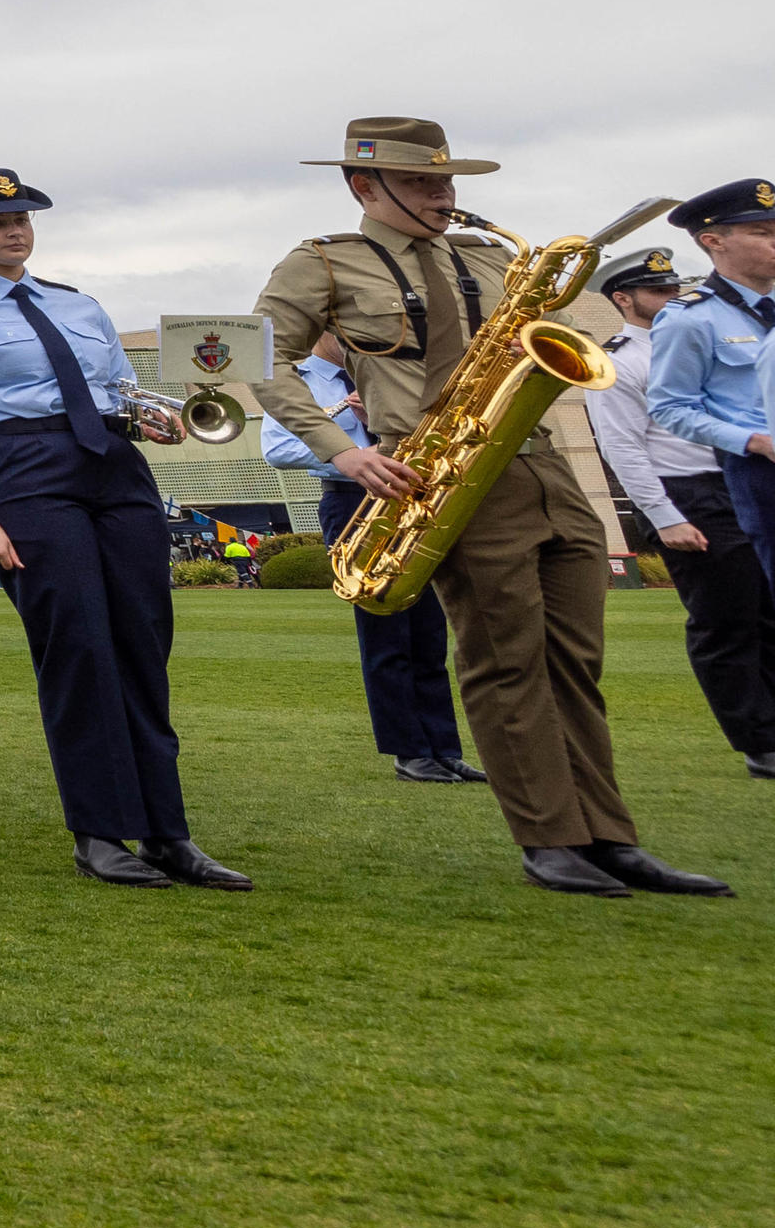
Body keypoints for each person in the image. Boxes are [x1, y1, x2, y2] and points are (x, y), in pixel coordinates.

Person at [268, 118, 721, 899]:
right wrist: (338, 448)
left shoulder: (489, 255)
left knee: (574, 661)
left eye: (447, 183)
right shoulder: (323, 263)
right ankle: (550, 839)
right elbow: (254, 354)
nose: (443, 197)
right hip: (438, 474)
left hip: (541, 465)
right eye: (421, 184)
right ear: (363, 186)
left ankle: (609, 836)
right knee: (506, 658)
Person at [0, 167, 253, 890]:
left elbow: (119, 388)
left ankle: (167, 832)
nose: (15, 229)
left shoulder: (80, 303)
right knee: (79, 648)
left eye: (24, 216)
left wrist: (155, 420)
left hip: (113, 466)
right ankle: (98, 831)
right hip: (20, 469)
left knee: (141, 645)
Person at [590, 248, 775, 777]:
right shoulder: (620, 361)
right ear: (623, 299)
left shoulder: (711, 331)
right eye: (659, 291)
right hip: (690, 493)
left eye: (675, 287)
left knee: (767, 610)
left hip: (743, 479)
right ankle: (758, 740)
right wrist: (663, 515)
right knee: (726, 619)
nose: (674, 296)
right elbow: (621, 447)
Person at [259, 346, 472, 781]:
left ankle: (443, 747)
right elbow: (278, 448)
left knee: (429, 633)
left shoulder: (386, 368)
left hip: (415, 499)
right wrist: (356, 455)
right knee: (386, 633)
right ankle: (409, 751)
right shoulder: (297, 382)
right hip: (354, 500)